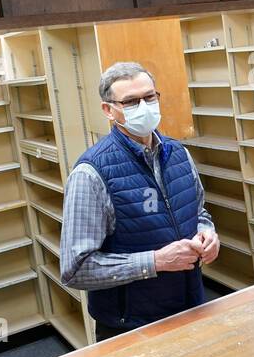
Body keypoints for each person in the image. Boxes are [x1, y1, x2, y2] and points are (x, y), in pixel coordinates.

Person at [59, 61, 219, 342]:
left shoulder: (179, 154)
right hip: (130, 327)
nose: (144, 107)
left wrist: (208, 233)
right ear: (109, 110)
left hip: (190, 306)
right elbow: (75, 270)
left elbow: (198, 211)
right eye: (131, 102)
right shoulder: (91, 174)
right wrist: (155, 262)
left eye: (149, 97)